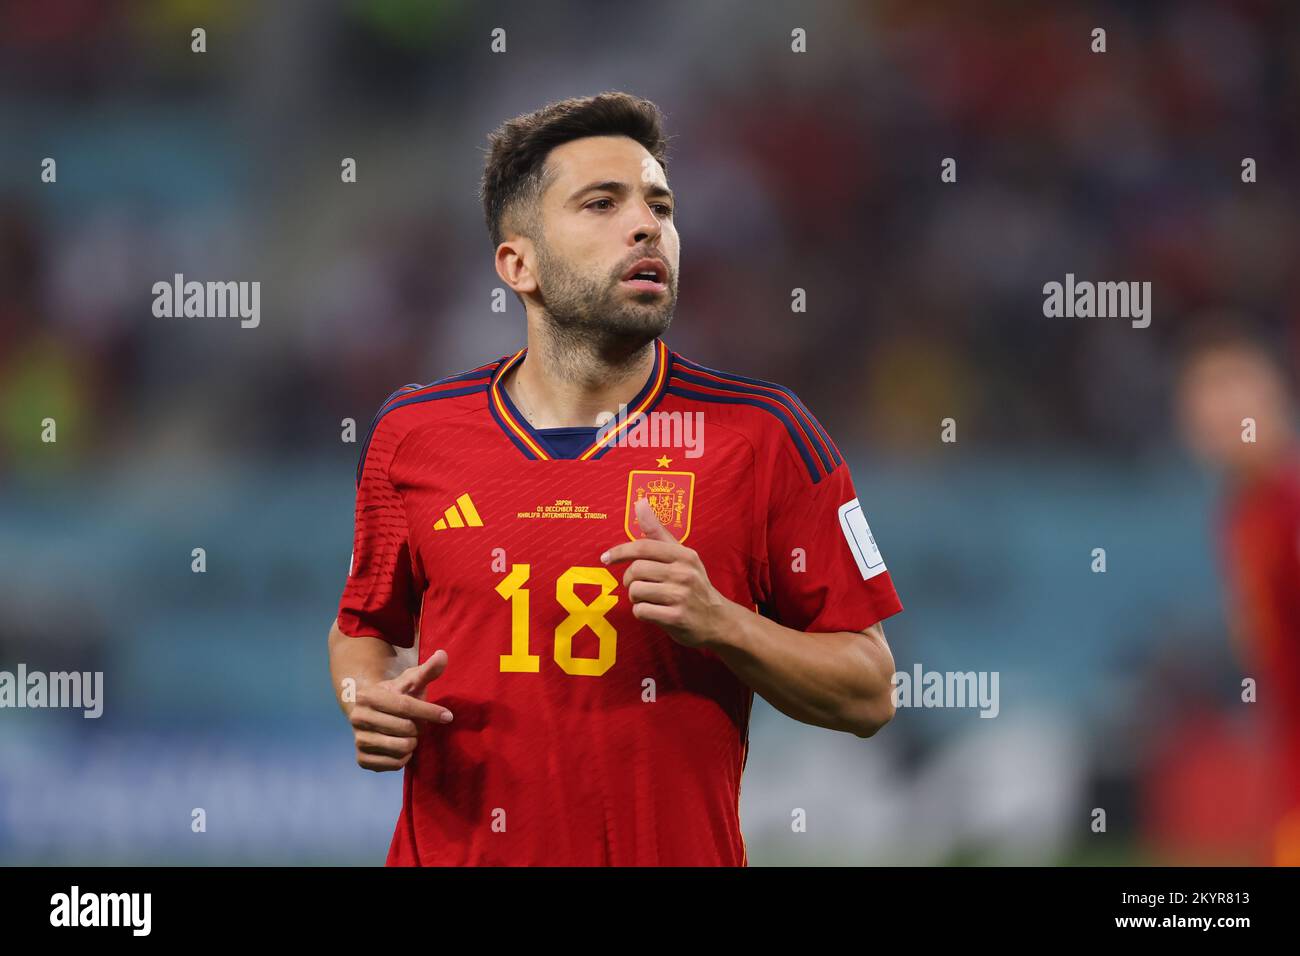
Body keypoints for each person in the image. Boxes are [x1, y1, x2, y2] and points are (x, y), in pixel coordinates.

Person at [327, 92, 903, 865]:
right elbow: (364, 628)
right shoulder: (415, 432)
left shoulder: (764, 434)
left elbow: (871, 690)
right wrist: (365, 697)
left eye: (659, 204)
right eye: (602, 203)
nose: (647, 225)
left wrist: (724, 623)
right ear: (518, 262)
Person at [1175, 324, 1300, 865]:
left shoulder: (1288, 506)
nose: (1217, 408)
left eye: (1231, 386)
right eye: (1203, 392)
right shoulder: (1240, 513)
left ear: (1273, 396)